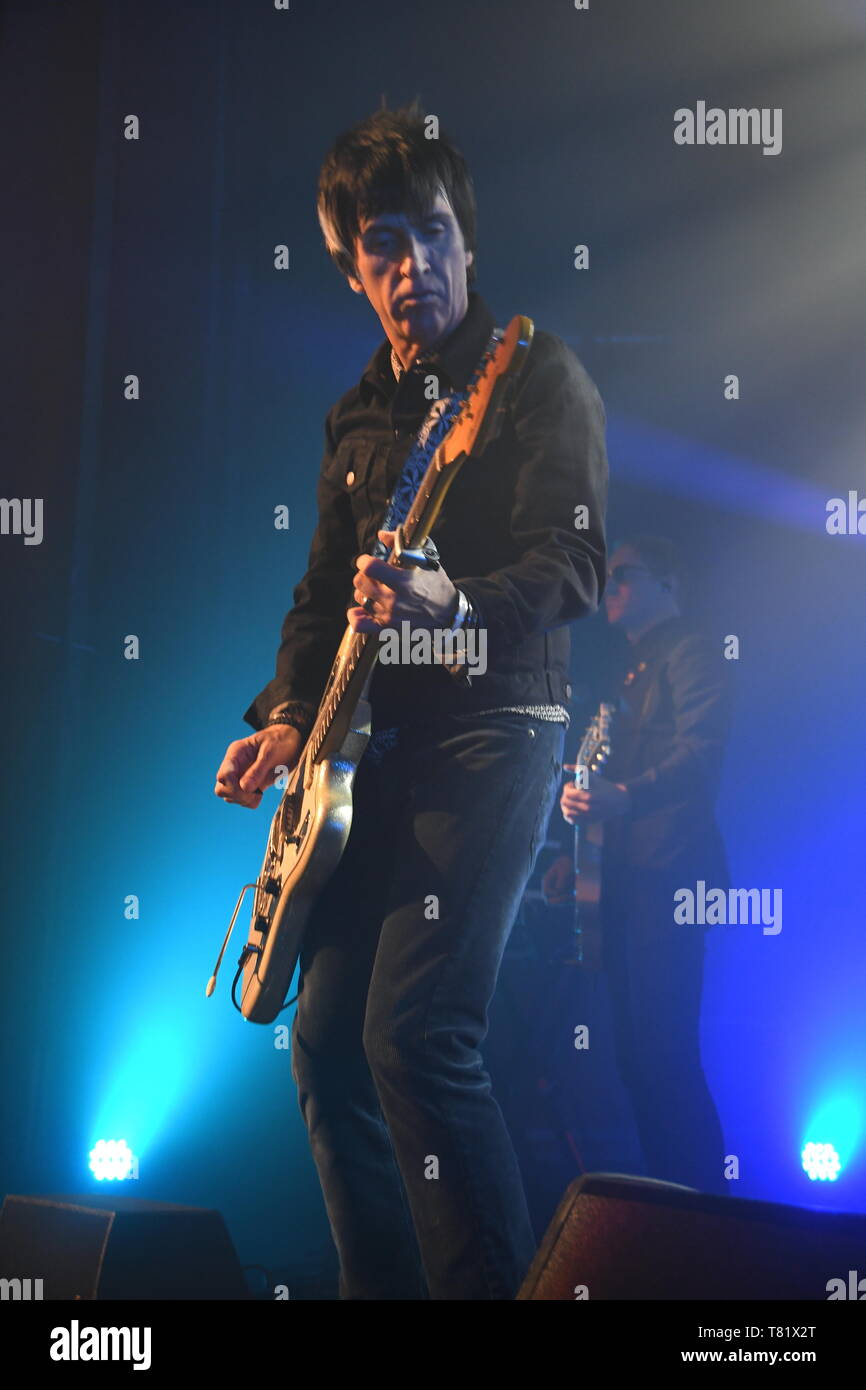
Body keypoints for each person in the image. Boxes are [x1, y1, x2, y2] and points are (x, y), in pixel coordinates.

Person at [214, 101, 608, 1299]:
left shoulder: (535, 374)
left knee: (416, 1040)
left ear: (467, 241)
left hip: (497, 732)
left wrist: (455, 603)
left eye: (431, 235)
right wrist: (281, 717)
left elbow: (575, 564)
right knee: (326, 1047)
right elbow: (320, 595)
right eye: (382, 246)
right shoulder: (356, 417)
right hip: (368, 756)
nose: (412, 267)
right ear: (348, 267)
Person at [544, 535, 732, 1195]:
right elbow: (615, 782)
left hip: (671, 882)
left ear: (668, 583)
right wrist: (578, 847)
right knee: (632, 1059)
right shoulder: (630, 672)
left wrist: (625, 795)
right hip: (625, 884)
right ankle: (675, 1211)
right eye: (608, 576)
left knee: (665, 1054)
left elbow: (702, 752)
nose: (609, 587)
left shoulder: (693, 651)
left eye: (623, 575)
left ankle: (708, 1219)